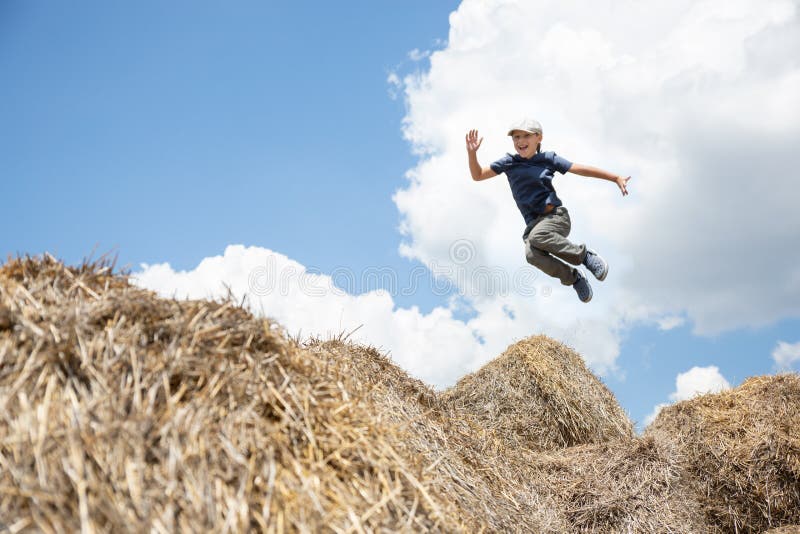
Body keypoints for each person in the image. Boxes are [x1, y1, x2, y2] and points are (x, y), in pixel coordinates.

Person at [465, 118, 631, 302]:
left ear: (538, 138)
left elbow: (581, 169)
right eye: (516, 137)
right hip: (534, 226)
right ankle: (574, 278)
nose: (520, 141)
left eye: (526, 136)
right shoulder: (509, 162)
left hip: (555, 217)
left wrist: (615, 177)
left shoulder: (547, 159)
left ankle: (585, 256)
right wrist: (472, 154)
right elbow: (478, 175)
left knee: (537, 237)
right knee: (531, 255)